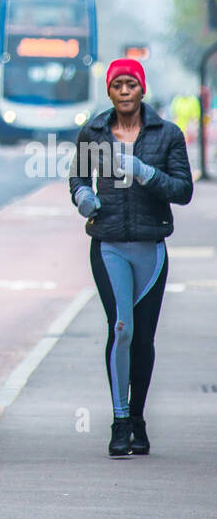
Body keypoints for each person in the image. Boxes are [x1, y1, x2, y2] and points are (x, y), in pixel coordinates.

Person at [68, 58, 193, 457]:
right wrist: (83, 197)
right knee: (121, 328)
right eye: (117, 85)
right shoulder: (93, 132)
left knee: (143, 338)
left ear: (143, 90)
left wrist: (145, 172)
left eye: (131, 85)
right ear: (109, 91)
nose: (124, 91)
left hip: (151, 248)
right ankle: (119, 421)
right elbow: (77, 177)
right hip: (108, 246)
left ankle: (138, 417)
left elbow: (183, 190)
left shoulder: (166, 134)